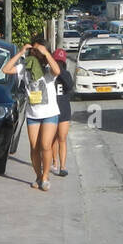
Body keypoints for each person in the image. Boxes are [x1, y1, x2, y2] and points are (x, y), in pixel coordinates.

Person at [2, 36, 60, 191]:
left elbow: (57, 71)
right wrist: (21, 52)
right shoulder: (25, 67)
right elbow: (6, 69)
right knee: (34, 147)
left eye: (37, 50)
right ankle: (38, 176)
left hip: (49, 112)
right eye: (33, 49)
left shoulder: (48, 69)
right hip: (33, 113)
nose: (34, 52)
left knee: (45, 145)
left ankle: (46, 177)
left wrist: (47, 54)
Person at [50, 48, 74, 177]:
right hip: (51, 109)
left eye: (60, 62)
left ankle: (63, 166)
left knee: (62, 138)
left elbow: (70, 87)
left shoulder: (66, 74)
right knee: (53, 138)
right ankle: (54, 162)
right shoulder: (49, 74)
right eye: (56, 62)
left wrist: (62, 72)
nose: (58, 64)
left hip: (64, 109)